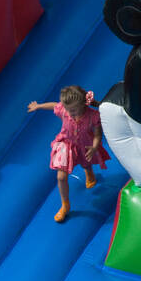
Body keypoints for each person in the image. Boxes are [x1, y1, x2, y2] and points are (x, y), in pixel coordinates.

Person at [28, 86, 110, 222]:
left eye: (72, 110)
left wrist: (95, 146)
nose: (69, 112)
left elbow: (97, 134)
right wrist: (38, 106)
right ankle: (65, 204)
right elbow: (55, 105)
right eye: (67, 109)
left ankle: (89, 172)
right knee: (61, 177)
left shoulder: (93, 116)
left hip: (85, 144)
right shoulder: (65, 110)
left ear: (83, 104)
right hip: (65, 144)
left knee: (86, 162)